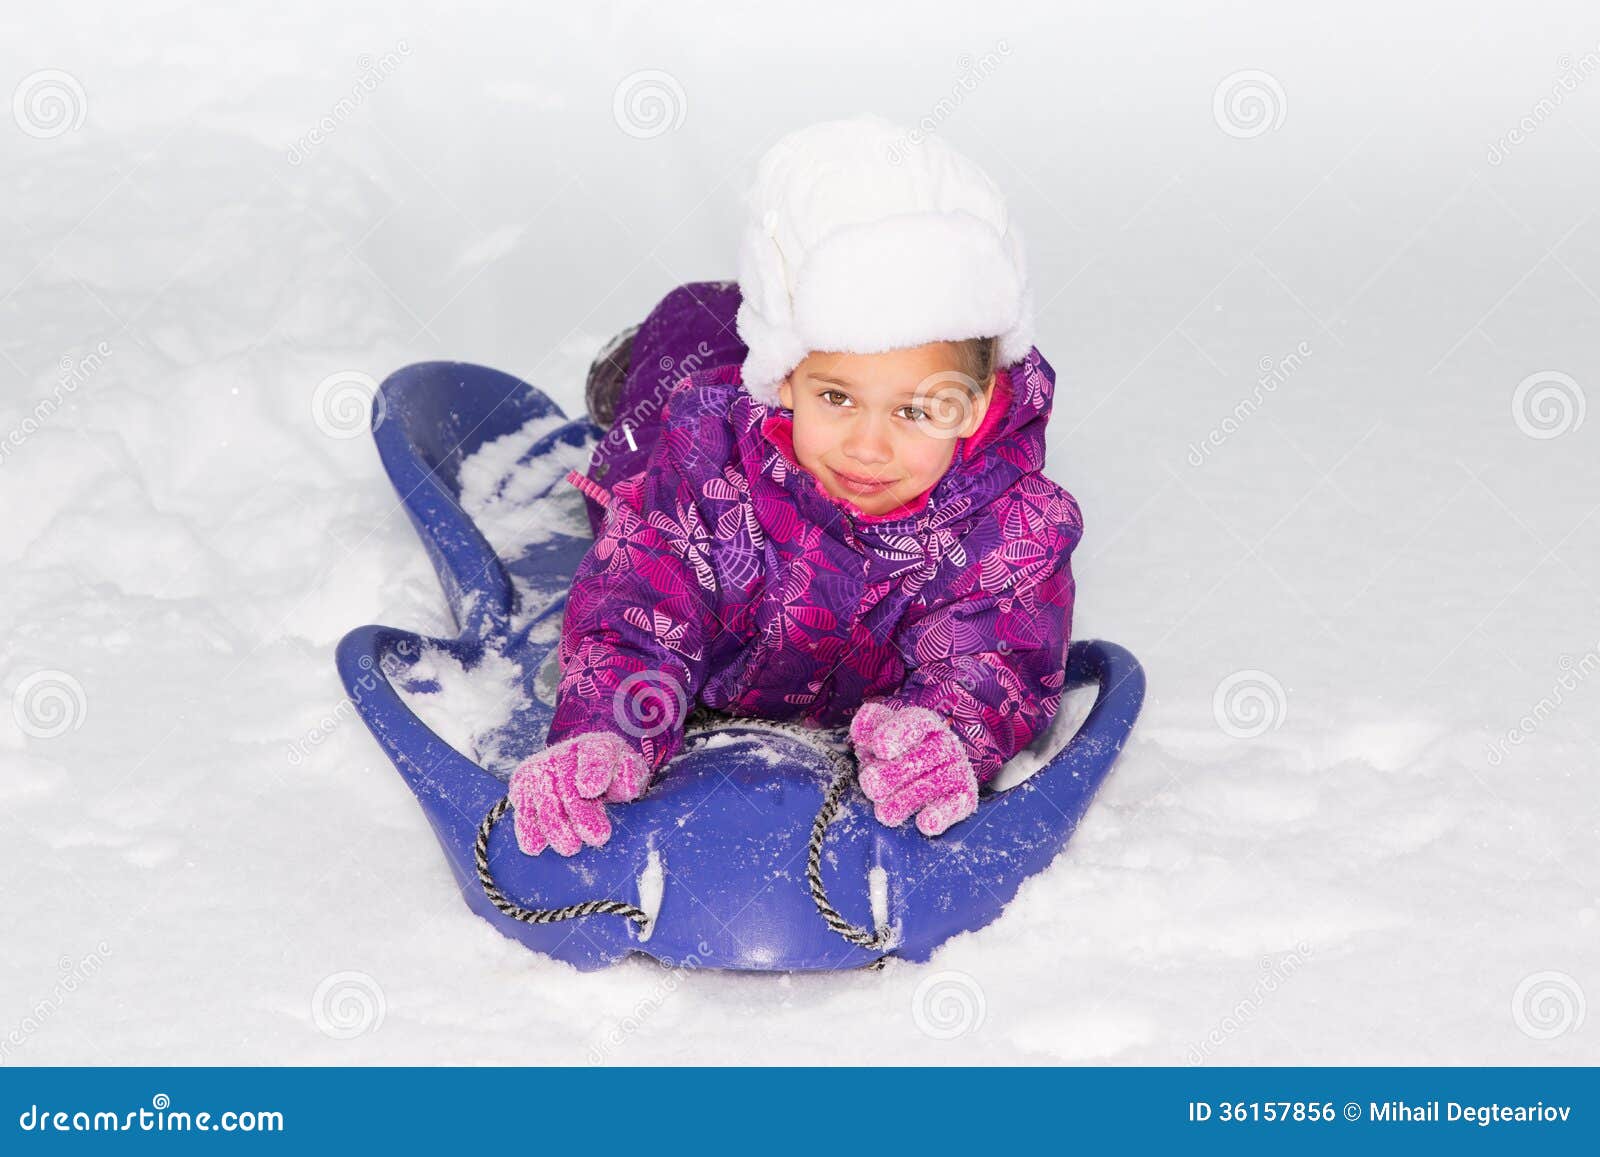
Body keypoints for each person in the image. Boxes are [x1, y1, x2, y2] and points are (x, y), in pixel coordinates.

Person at [509, 113, 1082, 857]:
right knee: (681, 348)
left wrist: (944, 731)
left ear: (978, 405)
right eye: (836, 398)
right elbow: (639, 610)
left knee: (725, 333)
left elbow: (997, 656)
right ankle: (631, 363)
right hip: (681, 403)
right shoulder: (703, 471)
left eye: (916, 409)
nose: (867, 446)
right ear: (783, 383)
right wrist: (609, 731)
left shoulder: (1011, 528)